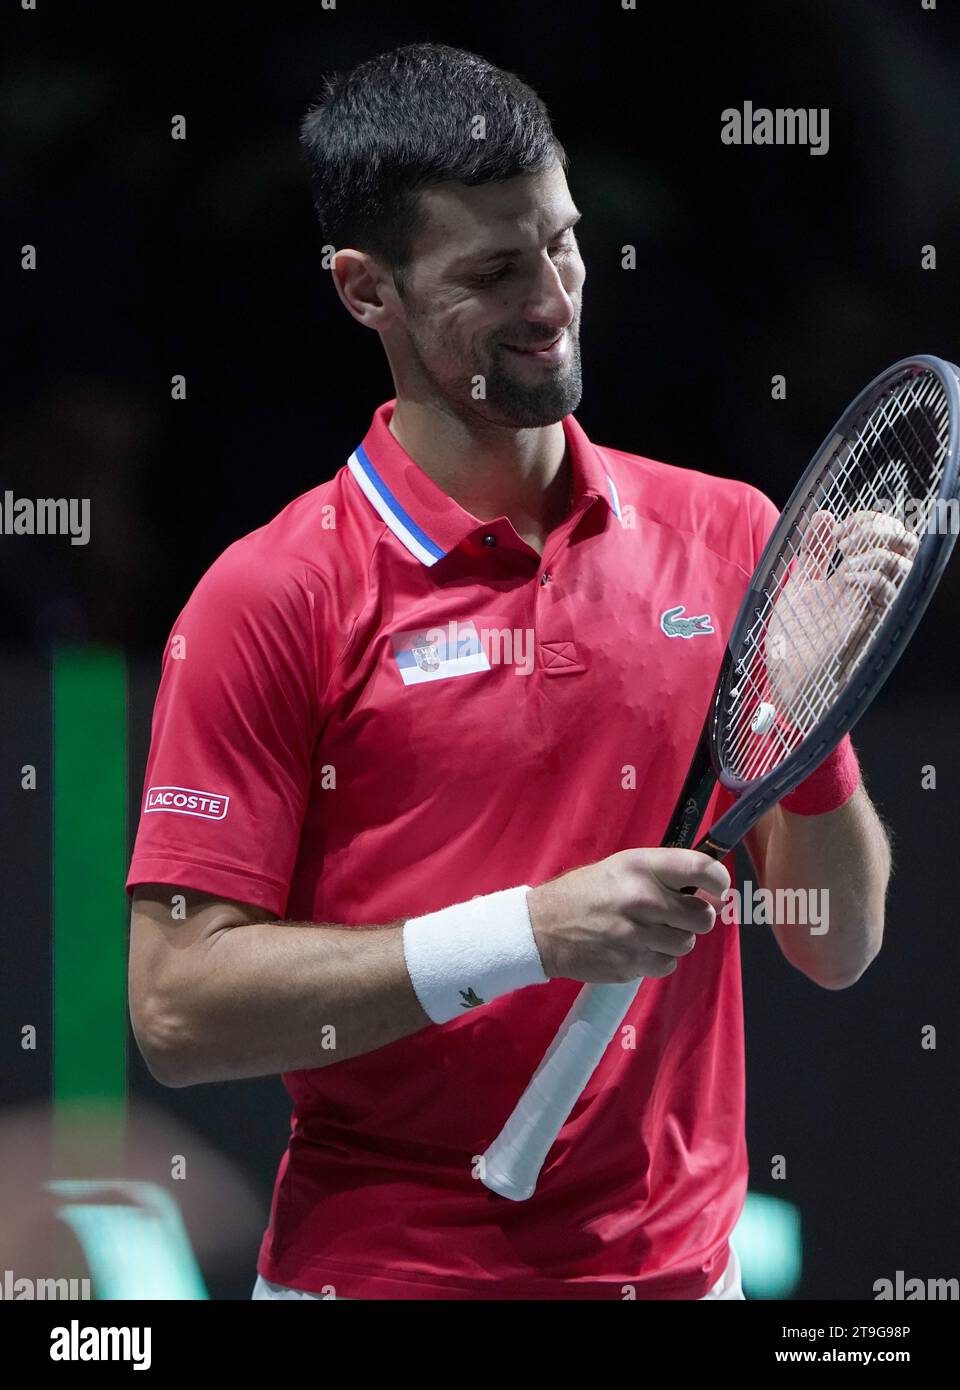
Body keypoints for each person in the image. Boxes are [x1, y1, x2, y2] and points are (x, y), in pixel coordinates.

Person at [126, 43, 893, 1301]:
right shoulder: (271, 594)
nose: (552, 296)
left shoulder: (733, 535)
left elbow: (842, 945)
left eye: (563, 241)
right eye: (490, 269)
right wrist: (531, 932)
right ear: (365, 289)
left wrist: (801, 725)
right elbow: (178, 1009)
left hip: (686, 1280)